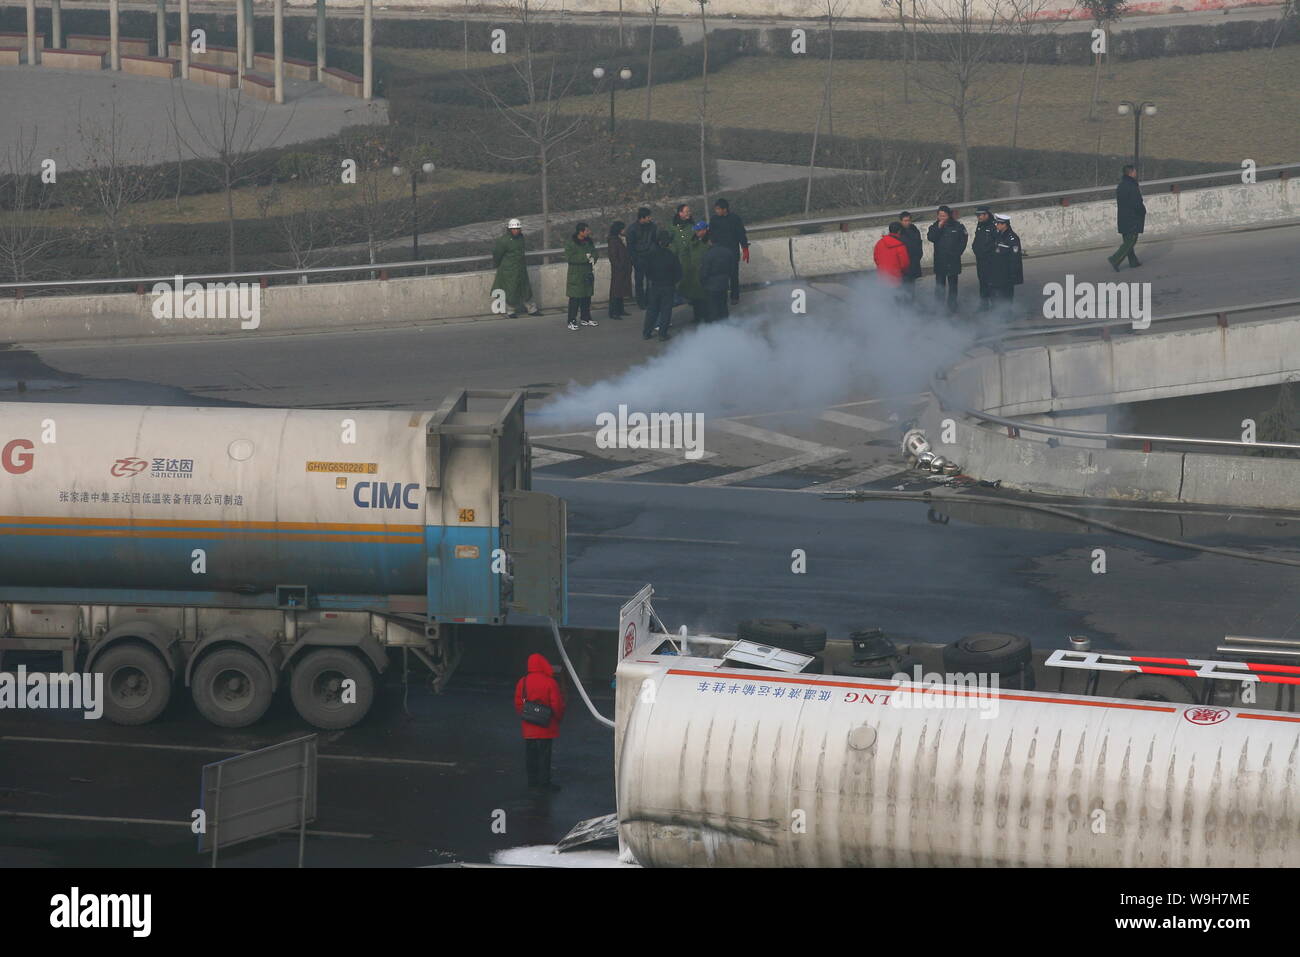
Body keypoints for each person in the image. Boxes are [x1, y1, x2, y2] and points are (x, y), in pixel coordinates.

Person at [514, 652, 566, 791]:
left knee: (530, 754)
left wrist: (526, 714)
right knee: (544, 755)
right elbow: (557, 704)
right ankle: (544, 783)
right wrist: (558, 718)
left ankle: (532, 781)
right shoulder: (550, 682)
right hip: (546, 725)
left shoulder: (522, 681)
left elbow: (518, 703)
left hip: (529, 725)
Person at [491, 218, 540, 318]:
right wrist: (499, 265)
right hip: (509, 269)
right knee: (511, 290)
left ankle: (531, 309)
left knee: (525, 289)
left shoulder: (521, 238)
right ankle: (510, 311)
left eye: (518, 228)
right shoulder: (503, 241)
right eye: (514, 229)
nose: (516, 230)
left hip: (521, 268)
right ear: (509, 229)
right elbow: (497, 254)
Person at [927, 205, 968, 313]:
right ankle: (939, 306)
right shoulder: (934, 227)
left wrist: (958, 253)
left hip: (953, 259)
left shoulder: (957, 226)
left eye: (944, 216)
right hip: (940, 260)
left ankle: (952, 306)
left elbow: (963, 240)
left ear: (948, 215)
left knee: (953, 285)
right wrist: (939, 228)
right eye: (940, 215)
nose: (942, 217)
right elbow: (931, 238)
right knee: (940, 285)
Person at [708, 198, 749, 306]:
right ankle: (722, 297)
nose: (716, 211)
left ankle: (734, 296)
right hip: (719, 252)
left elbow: (741, 234)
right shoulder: (714, 220)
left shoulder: (735, 219)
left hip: (732, 252)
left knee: (733, 275)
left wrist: (745, 248)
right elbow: (711, 235)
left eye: (718, 209)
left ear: (725, 209)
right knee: (721, 276)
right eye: (715, 209)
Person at [642, 233, 682, 341]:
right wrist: (672, 281)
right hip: (668, 286)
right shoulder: (671, 255)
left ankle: (646, 332)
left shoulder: (650, 255)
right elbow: (679, 273)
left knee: (652, 310)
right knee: (666, 310)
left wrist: (653, 279)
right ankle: (662, 334)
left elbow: (646, 271)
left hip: (655, 285)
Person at [1108, 164, 1146, 272]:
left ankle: (1133, 262)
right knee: (1131, 240)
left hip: (1123, 217)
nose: (1136, 173)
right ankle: (1115, 259)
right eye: (1135, 171)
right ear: (1131, 173)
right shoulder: (1132, 186)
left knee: (1127, 240)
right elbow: (1137, 202)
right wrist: (1143, 211)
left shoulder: (1121, 185)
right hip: (1132, 217)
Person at [563, 222, 599, 331]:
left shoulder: (589, 242)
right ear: (581, 231)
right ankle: (571, 320)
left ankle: (586, 318)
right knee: (575, 298)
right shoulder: (571, 243)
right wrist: (585, 258)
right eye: (587, 230)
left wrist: (593, 258)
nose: (588, 232)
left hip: (587, 273)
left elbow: (594, 253)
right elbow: (570, 257)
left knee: (587, 297)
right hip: (576, 274)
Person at [676, 221, 712, 323]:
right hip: (694, 273)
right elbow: (685, 253)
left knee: (705, 298)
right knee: (696, 298)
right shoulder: (693, 241)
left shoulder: (709, 241)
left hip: (705, 272)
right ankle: (697, 317)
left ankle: (707, 317)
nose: (697, 232)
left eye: (699, 230)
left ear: (705, 230)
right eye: (696, 230)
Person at [698, 232, 738, 321]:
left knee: (713, 308)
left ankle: (715, 329)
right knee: (723, 306)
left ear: (710, 241)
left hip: (711, 285)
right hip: (724, 283)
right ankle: (725, 325)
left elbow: (704, 272)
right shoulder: (728, 252)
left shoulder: (708, 254)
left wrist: (702, 283)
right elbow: (732, 269)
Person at [988, 214, 1024, 310]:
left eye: (999, 223)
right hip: (998, 271)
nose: (997, 225)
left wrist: (1012, 274)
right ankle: (997, 313)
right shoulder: (998, 235)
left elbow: (1015, 258)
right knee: (995, 293)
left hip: (1007, 272)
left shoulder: (1012, 238)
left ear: (1005, 224)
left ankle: (1007, 314)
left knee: (1007, 295)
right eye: (996, 223)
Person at [625, 207, 658, 309]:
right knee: (639, 282)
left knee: (651, 280)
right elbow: (630, 246)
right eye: (648, 217)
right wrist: (634, 259)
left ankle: (650, 300)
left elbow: (654, 240)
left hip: (650, 256)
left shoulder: (652, 227)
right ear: (642, 218)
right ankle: (641, 302)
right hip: (639, 258)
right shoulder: (632, 229)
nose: (650, 219)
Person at [971, 206, 997, 312]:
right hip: (981, 259)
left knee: (992, 283)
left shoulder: (994, 225)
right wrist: (975, 248)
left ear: (986, 214)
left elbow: (997, 241)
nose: (978, 217)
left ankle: (995, 306)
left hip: (991, 259)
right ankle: (984, 304)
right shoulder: (980, 225)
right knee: (982, 282)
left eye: (980, 215)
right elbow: (978, 240)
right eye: (977, 215)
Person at [606, 221, 633, 320]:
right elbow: (613, 256)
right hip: (618, 269)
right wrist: (619, 266)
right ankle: (614, 312)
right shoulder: (613, 241)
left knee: (620, 290)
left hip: (624, 268)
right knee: (616, 291)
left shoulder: (620, 239)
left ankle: (620, 309)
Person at [872, 222, 911, 286]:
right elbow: (905, 264)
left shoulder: (879, 243)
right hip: (896, 278)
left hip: (882, 277)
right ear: (899, 231)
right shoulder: (900, 245)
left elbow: (876, 259)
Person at [897, 211, 923, 300]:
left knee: (912, 286)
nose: (907, 222)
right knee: (903, 287)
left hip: (914, 262)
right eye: (905, 221)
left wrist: (919, 256)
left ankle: (911, 304)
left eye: (908, 220)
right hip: (903, 264)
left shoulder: (915, 230)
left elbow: (919, 244)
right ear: (901, 221)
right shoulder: (898, 232)